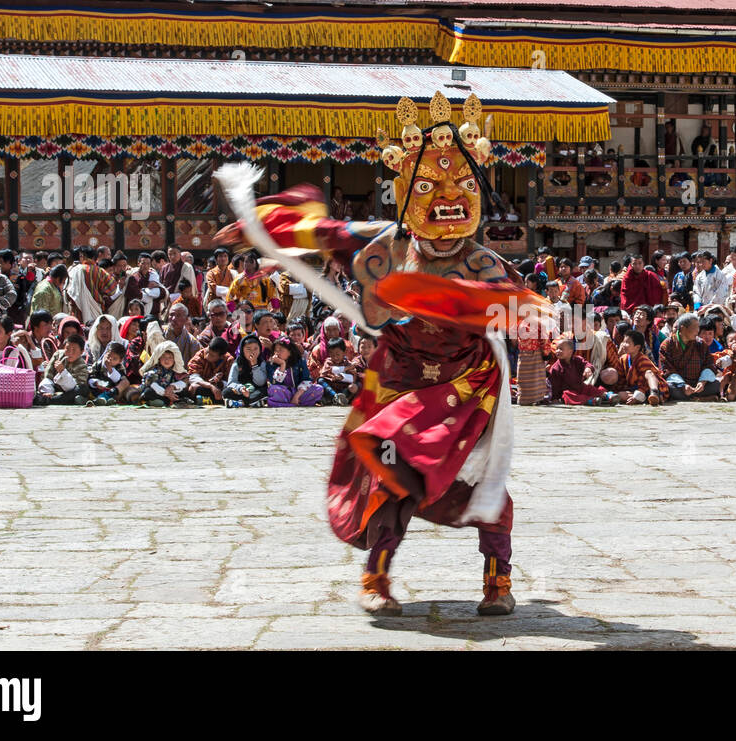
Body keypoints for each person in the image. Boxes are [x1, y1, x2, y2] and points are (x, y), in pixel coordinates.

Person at [214, 94, 543, 617]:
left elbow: (516, 311)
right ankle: (377, 577)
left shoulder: (486, 265)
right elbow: (316, 231)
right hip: (399, 386)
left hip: (464, 391)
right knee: (388, 472)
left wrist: (526, 318)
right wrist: (256, 227)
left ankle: (498, 581)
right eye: (431, 186)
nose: (448, 198)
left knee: (483, 484)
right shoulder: (379, 248)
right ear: (406, 193)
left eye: (461, 185)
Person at [36, 334, 89, 406]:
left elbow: (75, 386)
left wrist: (63, 372)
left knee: (82, 389)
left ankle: (49, 400)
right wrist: (48, 391)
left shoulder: (82, 366)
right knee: (45, 383)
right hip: (54, 388)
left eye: (74, 350)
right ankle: (48, 398)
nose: (70, 353)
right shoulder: (58, 355)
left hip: (69, 392)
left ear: (81, 352)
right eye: (67, 349)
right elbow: (48, 376)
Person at [224, 334, 270, 407]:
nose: (252, 352)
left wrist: (254, 365)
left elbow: (261, 383)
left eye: (255, 349)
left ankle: (241, 403)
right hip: (242, 391)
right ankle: (253, 403)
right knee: (226, 392)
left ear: (260, 349)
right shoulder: (237, 363)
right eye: (248, 349)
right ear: (242, 350)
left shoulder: (262, 362)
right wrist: (241, 388)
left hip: (256, 391)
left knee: (265, 391)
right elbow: (231, 382)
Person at [138, 340, 186, 407]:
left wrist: (174, 386)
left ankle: (171, 400)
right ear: (159, 358)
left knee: (184, 391)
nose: (167, 360)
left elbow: (184, 381)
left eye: (170, 358)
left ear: (174, 360)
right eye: (164, 357)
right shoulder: (155, 370)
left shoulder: (174, 371)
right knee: (148, 392)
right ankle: (167, 401)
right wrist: (167, 394)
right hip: (157, 392)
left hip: (168, 393)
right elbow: (152, 384)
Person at [86, 340, 133, 406]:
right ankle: (91, 399)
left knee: (125, 383)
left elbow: (120, 379)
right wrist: (95, 382)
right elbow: (91, 377)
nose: (110, 360)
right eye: (108, 356)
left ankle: (107, 397)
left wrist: (110, 369)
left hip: (112, 391)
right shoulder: (98, 365)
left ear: (120, 360)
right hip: (98, 390)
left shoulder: (119, 367)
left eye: (114, 359)